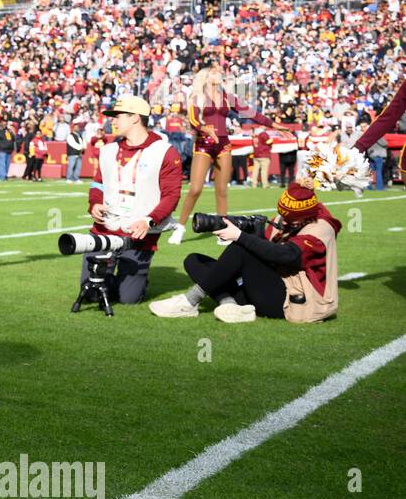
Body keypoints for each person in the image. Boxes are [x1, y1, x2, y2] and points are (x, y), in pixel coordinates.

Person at [150, 180, 340, 323]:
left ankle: (189, 302)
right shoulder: (288, 219)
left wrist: (240, 236)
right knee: (194, 261)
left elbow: (287, 255)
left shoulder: (321, 228)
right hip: (269, 288)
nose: (285, 221)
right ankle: (230, 306)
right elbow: (264, 248)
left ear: (304, 216)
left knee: (242, 248)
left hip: (295, 301)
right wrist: (243, 229)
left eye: (291, 219)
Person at [168, 65, 290, 245]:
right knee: (195, 189)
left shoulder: (227, 97)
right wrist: (204, 129)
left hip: (224, 144)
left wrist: (274, 125)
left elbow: (250, 113)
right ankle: (180, 228)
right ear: (207, 77)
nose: (220, 74)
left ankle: (223, 231)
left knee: (222, 190)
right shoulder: (197, 96)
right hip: (204, 144)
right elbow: (193, 120)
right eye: (215, 72)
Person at [82, 95, 183, 305]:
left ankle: (136, 281)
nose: (113, 121)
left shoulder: (165, 152)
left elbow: (171, 195)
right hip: (105, 228)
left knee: (127, 299)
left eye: (118, 116)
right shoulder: (108, 150)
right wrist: (94, 203)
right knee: (92, 294)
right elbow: (98, 184)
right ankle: (108, 274)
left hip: (139, 234)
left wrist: (149, 220)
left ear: (135, 118)